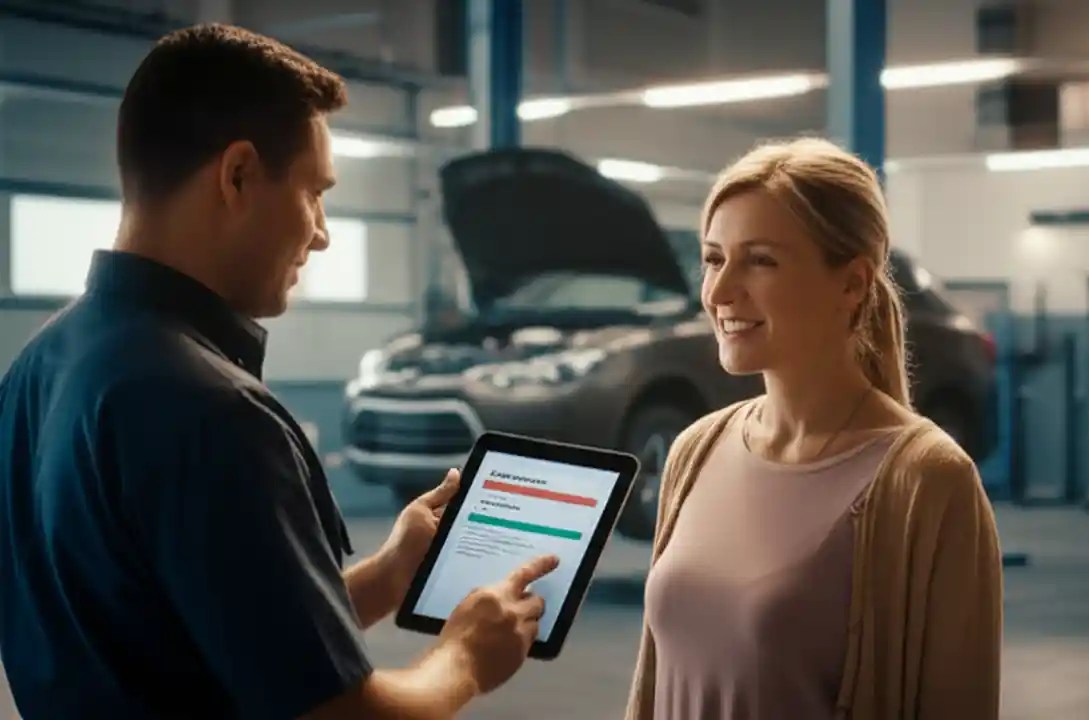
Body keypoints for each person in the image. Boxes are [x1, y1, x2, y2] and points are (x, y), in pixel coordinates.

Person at [0, 24, 557, 720]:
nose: (320, 232)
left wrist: (388, 577)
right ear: (237, 175)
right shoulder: (212, 411)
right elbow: (339, 714)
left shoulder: (37, 368)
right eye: (314, 192)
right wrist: (466, 657)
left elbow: (209, 636)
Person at [624, 138, 1003, 720]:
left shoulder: (928, 481)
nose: (720, 292)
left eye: (760, 261)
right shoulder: (695, 451)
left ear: (852, 283)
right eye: (714, 259)